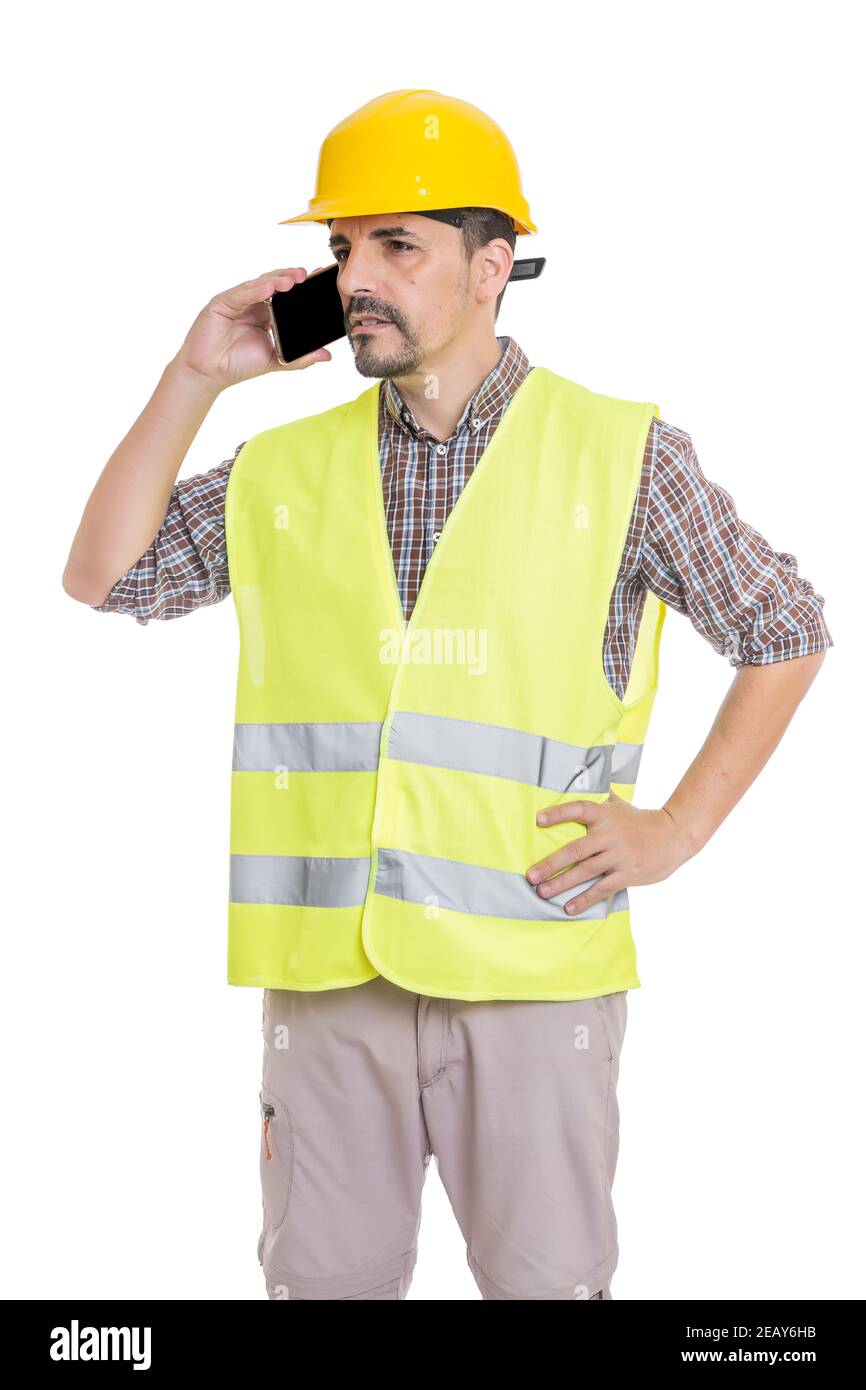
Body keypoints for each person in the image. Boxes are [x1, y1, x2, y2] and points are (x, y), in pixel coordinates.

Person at [62, 89, 832, 1301]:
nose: (354, 275)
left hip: (531, 983)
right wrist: (193, 377)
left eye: (395, 245)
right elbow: (103, 576)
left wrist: (676, 829)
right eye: (339, 248)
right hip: (328, 982)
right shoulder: (280, 467)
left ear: (491, 268)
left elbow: (783, 626)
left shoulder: (619, 453)